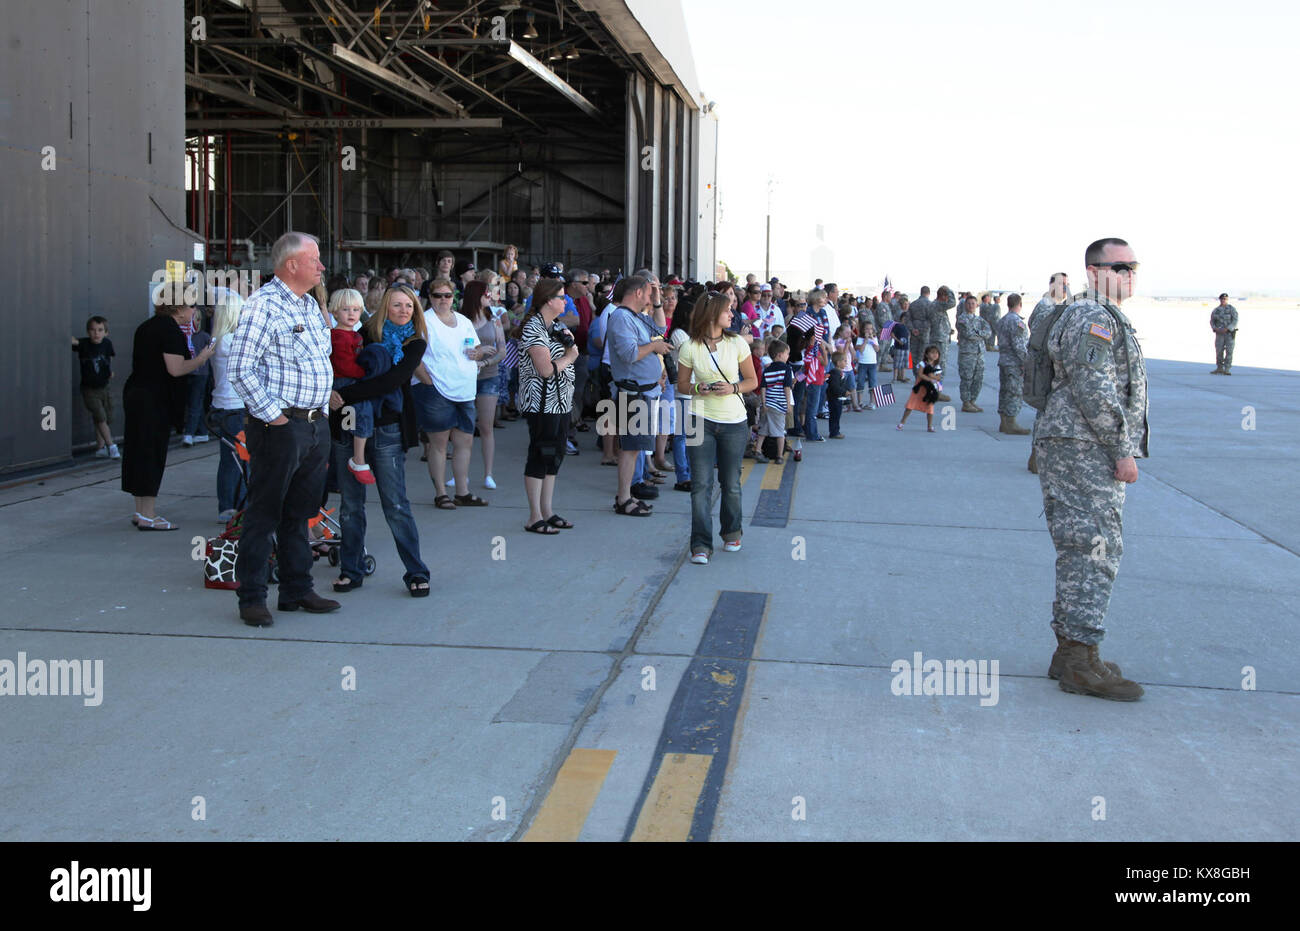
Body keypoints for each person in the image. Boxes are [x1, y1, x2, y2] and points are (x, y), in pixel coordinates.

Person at [1034, 237, 1148, 701]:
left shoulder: (1089, 312)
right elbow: (1094, 387)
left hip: (1074, 442)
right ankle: (1081, 659)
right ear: (1094, 270)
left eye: (1133, 266)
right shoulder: (1094, 317)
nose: (1130, 274)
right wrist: (1122, 449)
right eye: (1121, 267)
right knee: (1095, 548)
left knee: (1083, 546)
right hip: (1085, 445)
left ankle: (1071, 652)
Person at [227, 232, 338, 627]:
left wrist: (321, 414)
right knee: (264, 513)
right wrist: (273, 416)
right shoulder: (263, 305)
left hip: (312, 425)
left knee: (301, 512)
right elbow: (240, 368)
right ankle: (252, 597)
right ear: (292, 264)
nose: (322, 266)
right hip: (280, 426)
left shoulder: (309, 305)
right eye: (316, 259)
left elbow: (317, 363)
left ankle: (296, 589)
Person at [328, 283, 433, 597]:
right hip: (347, 426)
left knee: (396, 504)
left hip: (387, 429)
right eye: (397, 305)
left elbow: (391, 381)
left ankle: (416, 571)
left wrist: (343, 394)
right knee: (349, 505)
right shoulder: (364, 334)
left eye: (409, 306)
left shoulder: (415, 343)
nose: (403, 311)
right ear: (386, 306)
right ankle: (351, 569)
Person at [676, 292, 758, 564]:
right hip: (700, 418)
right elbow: (683, 385)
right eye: (727, 310)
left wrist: (733, 387)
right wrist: (700, 388)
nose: (732, 315)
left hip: (734, 421)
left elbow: (752, 381)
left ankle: (732, 532)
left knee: (731, 483)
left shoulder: (736, 343)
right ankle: (700, 545)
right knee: (700, 485)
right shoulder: (690, 346)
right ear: (712, 313)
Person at [121, 295, 216, 529]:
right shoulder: (169, 330)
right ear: (179, 308)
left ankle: (140, 511)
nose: (194, 310)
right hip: (154, 399)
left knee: (137, 451)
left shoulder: (147, 325)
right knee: (152, 454)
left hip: (136, 394)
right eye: (192, 305)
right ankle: (149, 515)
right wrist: (202, 358)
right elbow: (176, 369)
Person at [414, 277, 491, 509]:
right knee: (439, 443)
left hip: (465, 389)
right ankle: (440, 493)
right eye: (438, 296)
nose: (443, 300)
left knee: (465, 441)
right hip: (437, 389)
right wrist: (427, 381)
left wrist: (478, 355)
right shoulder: (423, 321)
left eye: (448, 295)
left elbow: (474, 348)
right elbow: (413, 355)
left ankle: (462, 491)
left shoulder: (464, 320)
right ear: (430, 297)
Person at [514, 279, 579, 534]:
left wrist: (568, 350)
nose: (565, 301)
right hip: (542, 402)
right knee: (540, 454)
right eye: (562, 297)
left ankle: (547, 511)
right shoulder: (534, 328)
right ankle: (534, 516)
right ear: (548, 300)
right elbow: (544, 370)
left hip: (561, 401)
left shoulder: (556, 326)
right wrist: (570, 356)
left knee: (555, 454)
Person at [607, 274, 672, 515]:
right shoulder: (622, 318)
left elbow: (661, 329)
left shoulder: (635, 317)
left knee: (633, 449)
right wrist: (654, 347)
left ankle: (626, 496)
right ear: (637, 293)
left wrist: (657, 303)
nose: (649, 295)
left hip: (643, 392)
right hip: (633, 393)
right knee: (630, 448)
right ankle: (624, 498)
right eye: (647, 292)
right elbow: (629, 354)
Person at [329, 288, 401, 486]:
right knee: (362, 415)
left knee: (362, 416)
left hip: (350, 381)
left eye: (355, 309)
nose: (351, 314)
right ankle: (358, 460)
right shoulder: (338, 337)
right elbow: (345, 365)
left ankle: (357, 457)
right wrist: (364, 373)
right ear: (334, 312)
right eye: (345, 309)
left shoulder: (353, 334)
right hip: (344, 381)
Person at [460, 279, 506, 489]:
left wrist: (485, 362)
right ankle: (461, 474)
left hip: (488, 375)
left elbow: (502, 350)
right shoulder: (460, 321)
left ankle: (488, 473)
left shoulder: (494, 319)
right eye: (486, 294)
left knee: (486, 426)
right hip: (464, 377)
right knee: (463, 428)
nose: (490, 297)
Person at [1027, 273, 1071, 473]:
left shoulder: (1055, 306)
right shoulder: (1046, 306)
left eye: (1067, 285)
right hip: (1045, 367)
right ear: (1052, 285)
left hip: (1051, 366)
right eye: (1062, 284)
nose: (1065, 288)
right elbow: (1039, 339)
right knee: (1044, 413)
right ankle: (1037, 457)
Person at [209, 291, 247, 521]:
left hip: (225, 405)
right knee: (240, 459)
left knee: (231, 458)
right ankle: (236, 505)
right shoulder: (230, 341)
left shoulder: (220, 339)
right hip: (234, 406)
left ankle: (229, 505)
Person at [71, 316, 119, 458]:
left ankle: (100, 447)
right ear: (87, 332)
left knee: (105, 417)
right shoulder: (84, 344)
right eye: (92, 330)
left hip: (104, 386)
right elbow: (72, 341)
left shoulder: (107, 344)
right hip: (89, 389)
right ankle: (112, 446)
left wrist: (110, 370)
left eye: (100, 330)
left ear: (106, 332)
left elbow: (110, 357)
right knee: (100, 416)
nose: (96, 333)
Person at [996, 293, 1031, 434]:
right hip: (1014, 363)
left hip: (1004, 361)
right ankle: (1011, 423)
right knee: (1014, 392)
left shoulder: (1002, 320)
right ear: (1020, 304)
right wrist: (1026, 362)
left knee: (1005, 391)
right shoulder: (1017, 322)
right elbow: (1018, 345)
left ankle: (1004, 422)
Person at [757, 338, 793, 462]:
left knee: (764, 429)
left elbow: (763, 387)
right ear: (780, 355)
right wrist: (788, 404)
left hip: (768, 404)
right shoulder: (786, 369)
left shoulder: (767, 370)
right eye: (787, 353)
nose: (788, 356)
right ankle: (779, 456)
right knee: (780, 431)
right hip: (779, 405)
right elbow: (786, 387)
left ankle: (757, 450)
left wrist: (763, 403)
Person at [956, 294, 993, 413]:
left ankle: (972, 401)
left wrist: (977, 333)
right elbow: (968, 334)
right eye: (969, 303)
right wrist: (980, 334)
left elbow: (989, 333)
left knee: (978, 378)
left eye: (973, 303)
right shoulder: (962, 319)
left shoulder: (979, 319)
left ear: (977, 305)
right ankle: (966, 403)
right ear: (965, 305)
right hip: (967, 354)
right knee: (967, 378)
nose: (971, 306)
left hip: (979, 354)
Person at [897, 345, 942, 432]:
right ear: (926, 354)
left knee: (930, 407)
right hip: (919, 388)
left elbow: (939, 377)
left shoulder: (937, 366)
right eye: (932, 353)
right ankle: (901, 423)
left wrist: (933, 377)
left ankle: (929, 426)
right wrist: (930, 378)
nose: (935, 355)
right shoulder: (922, 364)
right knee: (910, 405)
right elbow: (920, 374)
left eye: (936, 353)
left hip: (930, 390)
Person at [1210, 293, 1239, 375]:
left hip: (1229, 334)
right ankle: (1219, 368)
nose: (1223, 300)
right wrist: (1214, 328)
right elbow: (1212, 321)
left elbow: (1235, 320)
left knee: (1229, 351)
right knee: (1219, 351)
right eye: (1222, 299)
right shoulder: (1216, 310)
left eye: (1225, 299)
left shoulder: (1231, 309)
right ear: (1220, 299)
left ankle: (1227, 369)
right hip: (1219, 334)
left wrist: (1228, 328)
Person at [856, 322, 880, 409]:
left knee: (872, 383)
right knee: (860, 382)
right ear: (863, 330)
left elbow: (877, 349)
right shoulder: (860, 339)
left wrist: (872, 340)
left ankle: (872, 402)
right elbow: (861, 350)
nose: (869, 331)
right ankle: (860, 402)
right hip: (863, 363)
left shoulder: (874, 338)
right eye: (867, 329)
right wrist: (865, 341)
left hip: (872, 363)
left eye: (870, 329)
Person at [827, 351, 849, 439]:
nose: (846, 362)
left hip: (838, 398)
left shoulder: (839, 372)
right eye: (845, 361)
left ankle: (836, 430)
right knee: (835, 415)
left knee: (837, 414)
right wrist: (844, 392)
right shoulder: (835, 373)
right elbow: (834, 386)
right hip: (834, 398)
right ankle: (834, 432)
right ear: (839, 363)